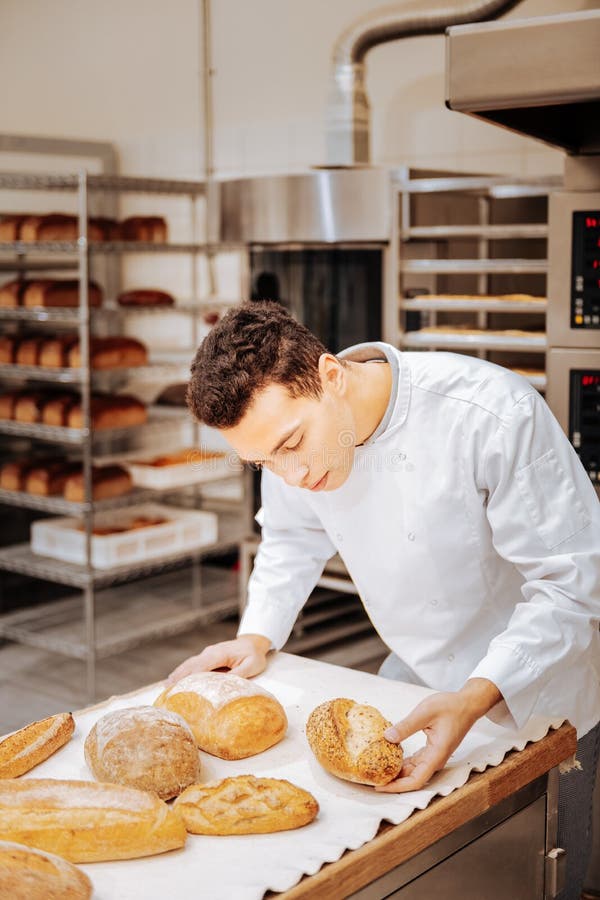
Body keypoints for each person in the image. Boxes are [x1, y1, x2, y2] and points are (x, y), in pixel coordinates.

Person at [169, 301, 600, 899]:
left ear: (332, 377)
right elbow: (292, 536)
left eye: (292, 445)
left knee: (550, 874)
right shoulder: (283, 436)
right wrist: (257, 634)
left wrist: (474, 696)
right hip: (414, 683)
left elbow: (572, 583)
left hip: (542, 692)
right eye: (264, 461)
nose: (289, 474)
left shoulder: (490, 412)